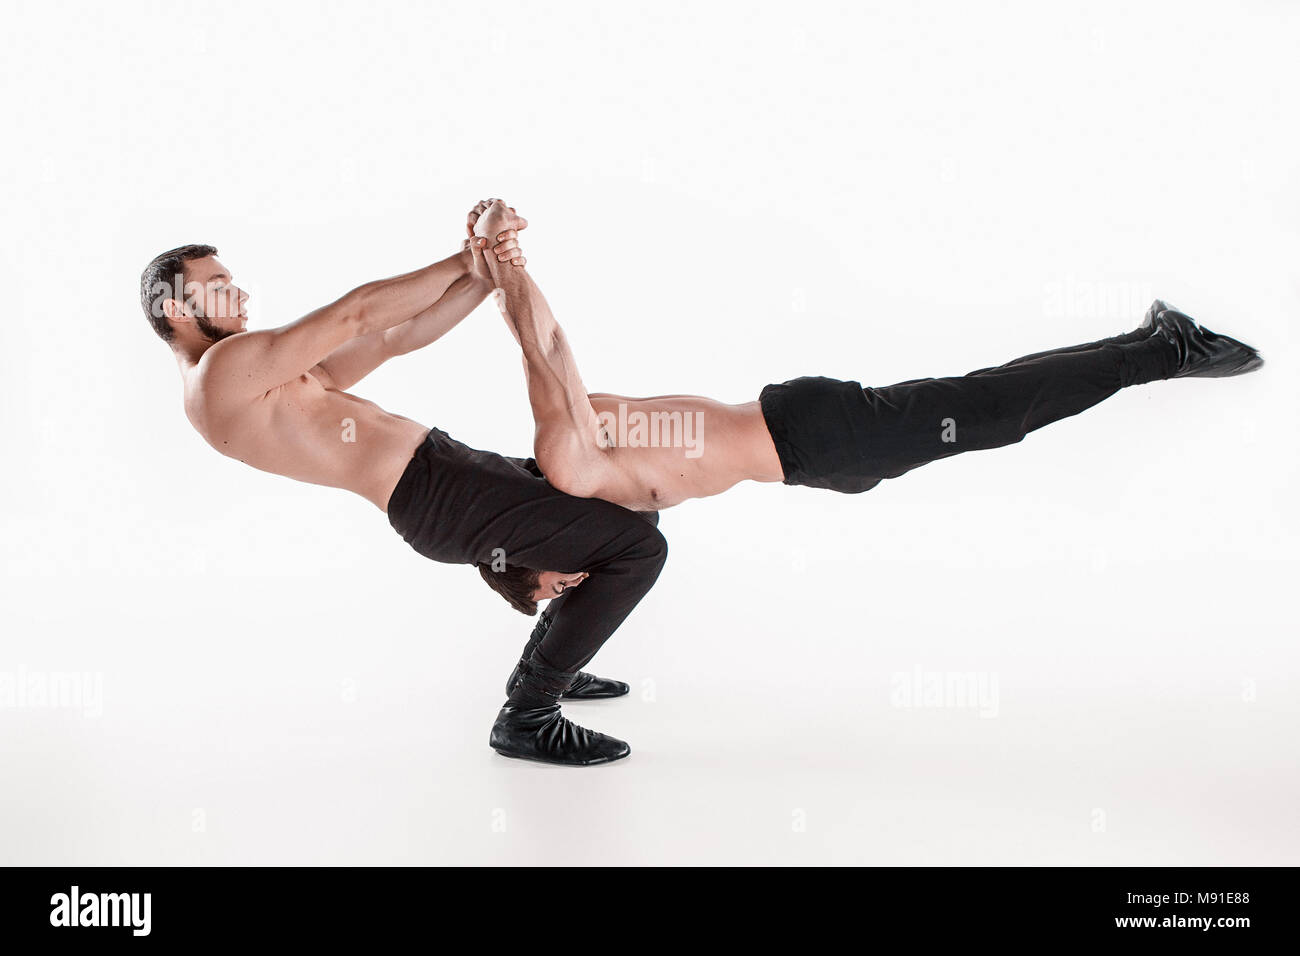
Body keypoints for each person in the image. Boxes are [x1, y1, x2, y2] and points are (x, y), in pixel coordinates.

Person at [470, 199, 1263, 603]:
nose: (570, 588)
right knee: (990, 399)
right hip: (807, 439)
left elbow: (545, 349)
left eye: (551, 587)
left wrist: (503, 256)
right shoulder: (596, 476)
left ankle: (1166, 348)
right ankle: (1152, 340)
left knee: (997, 409)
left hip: (814, 440)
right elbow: (558, 356)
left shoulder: (572, 466)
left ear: (535, 551)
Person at [140, 200, 666, 767]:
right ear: (177, 307)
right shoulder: (219, 375)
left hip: (446, 472)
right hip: (438, 496)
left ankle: (550, 663)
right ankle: (529, 716)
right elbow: (356, 313)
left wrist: (484, 270)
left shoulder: (251, 381)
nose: (241, 295)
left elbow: (393, 337)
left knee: (630, 513)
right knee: (638, 549)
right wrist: (471, 253)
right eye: (219, 285)